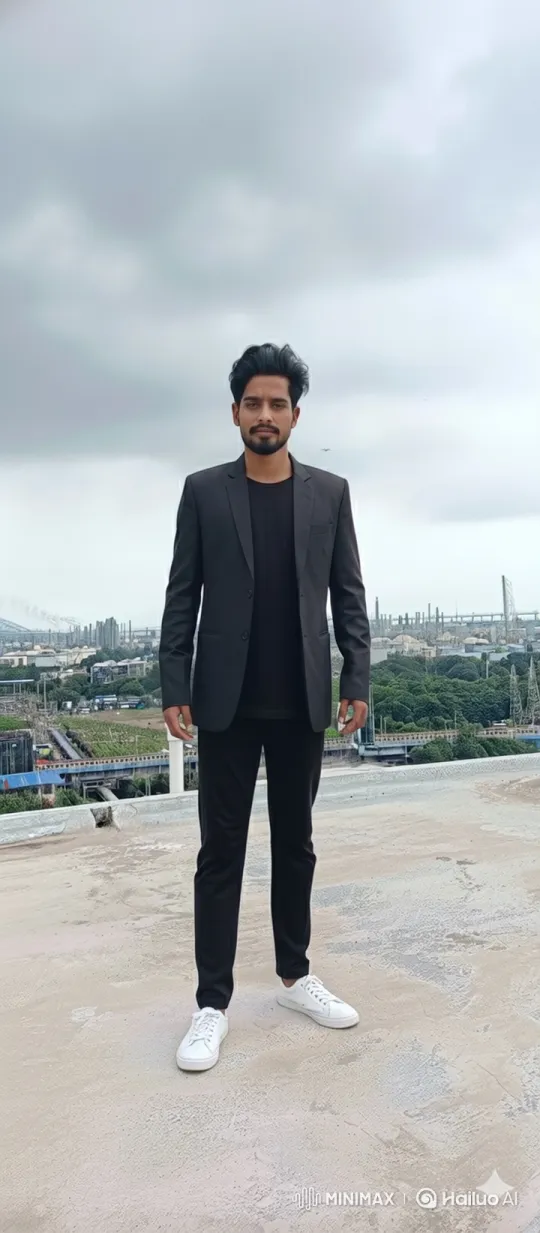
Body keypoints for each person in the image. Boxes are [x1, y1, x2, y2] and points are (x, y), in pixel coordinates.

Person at [159, 343, 370, 1072]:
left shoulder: (330, 493)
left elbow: (348, 593)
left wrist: (357, 678)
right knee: (220, 852)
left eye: (278, 403)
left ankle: (295, 975)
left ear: (296, 415)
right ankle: (211, 1004)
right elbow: (182, 594)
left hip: (301, 695)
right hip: (224, 700)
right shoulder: (204, 492)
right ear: (235, 413)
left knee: (296, 843)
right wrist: (174, 685)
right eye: (253, 403)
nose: (265, 414)